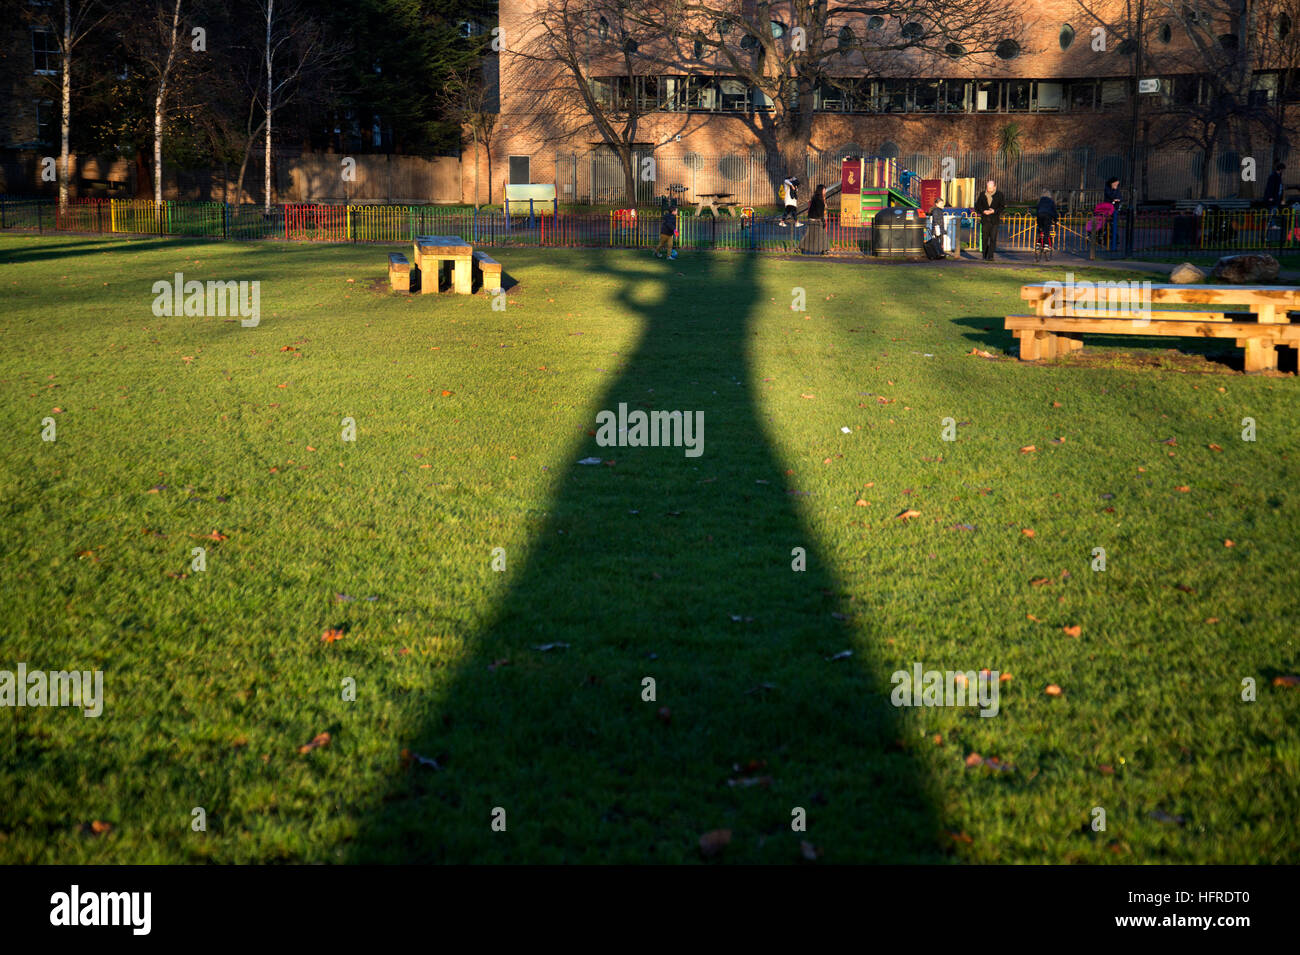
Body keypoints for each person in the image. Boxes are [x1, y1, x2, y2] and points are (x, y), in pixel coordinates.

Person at [973, 179, 1005, 261]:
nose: (989, 189)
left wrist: (994, 211)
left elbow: (1002, 206)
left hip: (994, 220)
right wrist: (983, 211)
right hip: (985, 220)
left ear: (994, 187)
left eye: (990, 188)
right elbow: (977, 206)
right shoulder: (982, 194)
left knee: (993, 238)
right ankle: (985, 254)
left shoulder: (999, 195)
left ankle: (991, 256)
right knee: (984, 238)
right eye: (988, 187)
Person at [800, 184, 830, 254]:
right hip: (816, 219)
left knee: (811, 234)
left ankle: (824, 249)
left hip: (813, 219)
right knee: (818, 234)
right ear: (821, 190)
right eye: (824, 190)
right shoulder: (819, 199)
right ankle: (824, 249)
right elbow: (819, 211)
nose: (825, 191)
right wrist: (822, 220)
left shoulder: (817, 198)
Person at [1035, 189, 1058, 259]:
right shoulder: (1051, 201)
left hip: (1040, 215)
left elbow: (1037, 208)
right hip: (1048, 216)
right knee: (1046, 231)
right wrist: (1056, 220)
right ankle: (1046, 245)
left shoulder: (1040, 201)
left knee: (1040, 228)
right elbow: (1054, 211)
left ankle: (1038, 244)